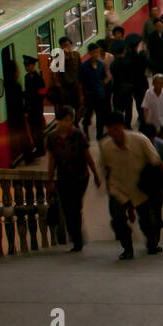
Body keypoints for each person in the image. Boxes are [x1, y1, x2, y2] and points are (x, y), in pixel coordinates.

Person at [100, 112, 163, 258]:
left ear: (122, 126)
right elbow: (106, 169)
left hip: (140, 187)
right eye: (110, 128)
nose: (114, 132)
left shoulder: (140, 140)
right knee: (118, 219)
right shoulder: (106, 146)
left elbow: (156, 161)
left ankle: (152, 243)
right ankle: (127, 248)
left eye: (116, 128)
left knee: (147, 221)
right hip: (118, 188)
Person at [46, 105, 100, 252]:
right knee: (67, 209)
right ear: (58, 121)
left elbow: (87, 155)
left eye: (70, 120)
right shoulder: (52, 138)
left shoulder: (77, 135)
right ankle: (77, 235)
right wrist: (50, 180)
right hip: (63, 178)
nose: (67, 123)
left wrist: (95, 174)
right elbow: (52, 160)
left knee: (75, 206)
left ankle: (77, 240)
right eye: (64, 120)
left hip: (80, 177)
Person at [77, 42, 107, 140]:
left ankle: (99, 134)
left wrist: (103, 90)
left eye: (97, 52)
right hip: (89, 95)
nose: (96, 54)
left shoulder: (101, 64)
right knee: (88, 114)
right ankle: (85, 131)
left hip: (99, 94)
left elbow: (103, 79)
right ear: (89, 53)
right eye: (94, 52)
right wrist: (81, 96)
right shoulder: (84, 67)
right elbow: (80, 82)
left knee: (100, 115)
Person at [22, 55, 47, 157]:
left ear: (33, 65)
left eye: (29, 65)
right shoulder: (27, 77)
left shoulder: (38, 78)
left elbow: (43, 92)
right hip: (30, 108)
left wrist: (34, 105)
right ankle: (38, 147)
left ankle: (41, 150)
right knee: (33, 129)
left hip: (36, 108)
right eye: (25, 65)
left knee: (37, 130)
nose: (27, 67)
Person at [53, 36, 82, 114]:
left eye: (68, 45)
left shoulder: (76, 55)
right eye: (63, 46)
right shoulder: (58, 57)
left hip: (75, 87)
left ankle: (76, 122)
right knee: (66, 108)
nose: (66, 47)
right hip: (64, 88)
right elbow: (55, 74)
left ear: (71, 45)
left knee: (77, 106)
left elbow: (80, 70)